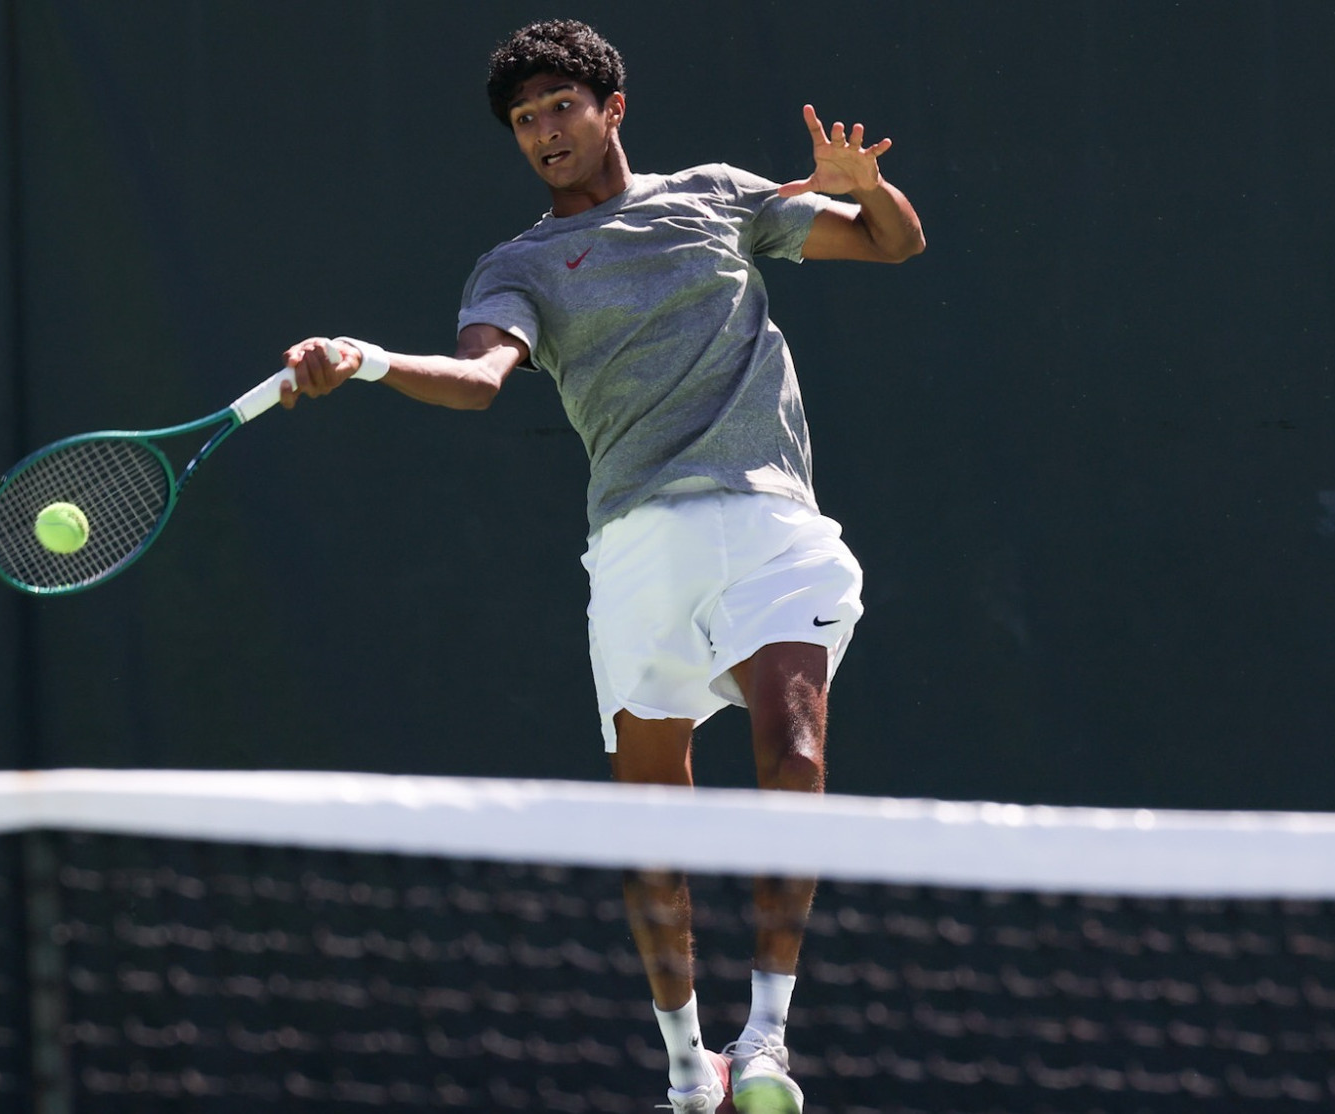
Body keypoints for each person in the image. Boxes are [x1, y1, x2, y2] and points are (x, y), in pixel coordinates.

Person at [279, 19, 922, 1113]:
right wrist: (370, 360)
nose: (543, 131)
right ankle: (687, 1065)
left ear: (611, 108)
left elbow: (891, 245)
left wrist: (870, 190)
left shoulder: (717, 196)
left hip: (773, 524)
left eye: (560, 107)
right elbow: (478, 382)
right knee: (652, 824)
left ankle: (767, 1039)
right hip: (639, 545)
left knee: (797, 749)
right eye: (524, 118)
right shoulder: (518, 266)